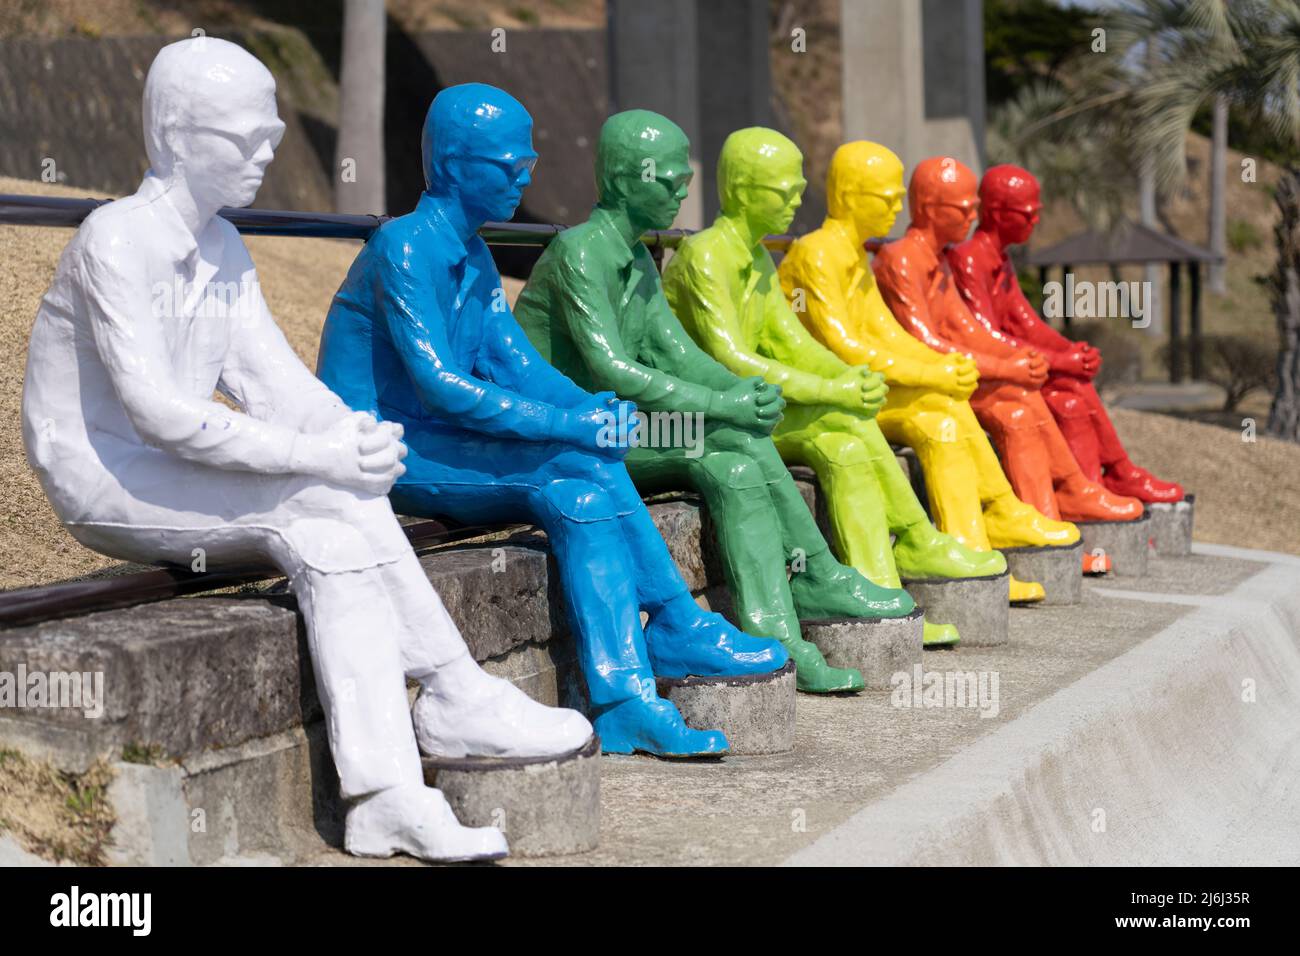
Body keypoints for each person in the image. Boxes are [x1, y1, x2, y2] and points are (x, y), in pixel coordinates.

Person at [21, 39, 590, 864]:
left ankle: (397, 780)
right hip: (104, 475)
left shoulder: (224, 248)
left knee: (337, 504)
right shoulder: (117, 240)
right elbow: (159, 415)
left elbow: (273, 382)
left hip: (169, 462)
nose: (267, 153)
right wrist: (317, 458)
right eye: (244, 137)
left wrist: (350, 437)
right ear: (177, 136)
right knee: (315, 504)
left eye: (273, 136)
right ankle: (436, 721)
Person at [318, 84, 787, 757]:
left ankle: (625, 700)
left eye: (528, 163)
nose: (525, 175)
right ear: (453, 164)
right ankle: (676, 626)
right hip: (389, 445)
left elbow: (515, 364)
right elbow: (444, 387)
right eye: (509, 164)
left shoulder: (474, 256)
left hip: (435, 435)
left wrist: (583, 408)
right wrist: (569, 426)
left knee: (578, 487)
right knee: (574, 461)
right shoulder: (405, 248)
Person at [515, 110, 917, 694]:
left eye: (686, 178)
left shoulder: (637, 260)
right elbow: (614, 370)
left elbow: (675, 352)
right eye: (669, 179)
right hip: (576, 438)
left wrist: (739, 393)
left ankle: (780, 636)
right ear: (627, 181)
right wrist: (724, 406)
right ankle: (817, 574)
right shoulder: (579, 253)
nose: (683, 190)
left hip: (619, 431)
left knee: (732, 463)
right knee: (735, 434)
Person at [661, 127, 1006, 645]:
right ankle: (912, 540)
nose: (796, 202)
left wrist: (845, 379)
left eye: (799, 190)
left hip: (756, 412)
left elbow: (791, 340)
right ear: (740, 190)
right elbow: (730, 358)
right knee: (844, 417)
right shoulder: (705, 256)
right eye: (784, 192)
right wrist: (834, 391)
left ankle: (882, 589)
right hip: (716, 418)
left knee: (844, 442)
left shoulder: (756, 256)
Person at [777, 142, 1081, 603]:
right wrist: (932, 374)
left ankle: (982, 536)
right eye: (887, 197)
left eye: (900, 195)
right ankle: (970, 544)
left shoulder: (855, 255)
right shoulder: (816, 255)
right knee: (939, 416)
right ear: (850, 195)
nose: (899, 207)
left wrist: (939, 368)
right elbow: (846, 347)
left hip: (860, 390)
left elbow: (887, 335)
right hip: (829, 396)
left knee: (945, 406)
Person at [873, 156, 1142, 574]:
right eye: (962, 209)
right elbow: (925, 343)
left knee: (1021, 399)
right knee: (1016, 406)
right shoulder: (901, 259)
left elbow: (968, 328)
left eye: (974, 207)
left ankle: (1059, 509)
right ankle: (1050, 517)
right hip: (921, 385)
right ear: (927, 208)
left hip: (948, 378)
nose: (972, 216)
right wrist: (1007, 368)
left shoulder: (936, 259)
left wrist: (1020, 359)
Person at [949, 165, 1184, 502]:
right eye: (1027, 215)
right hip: (991, 373)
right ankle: (1110, 478)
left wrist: (1073, 351)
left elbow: (1026, 322)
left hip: (1019, 367)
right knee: (1070, 393)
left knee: (1072, 395)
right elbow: (985, 336)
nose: (1035, 222)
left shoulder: (999, 259)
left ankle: (1098, 485)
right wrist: (1063, 361)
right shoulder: (969, 259)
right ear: (998, 214)